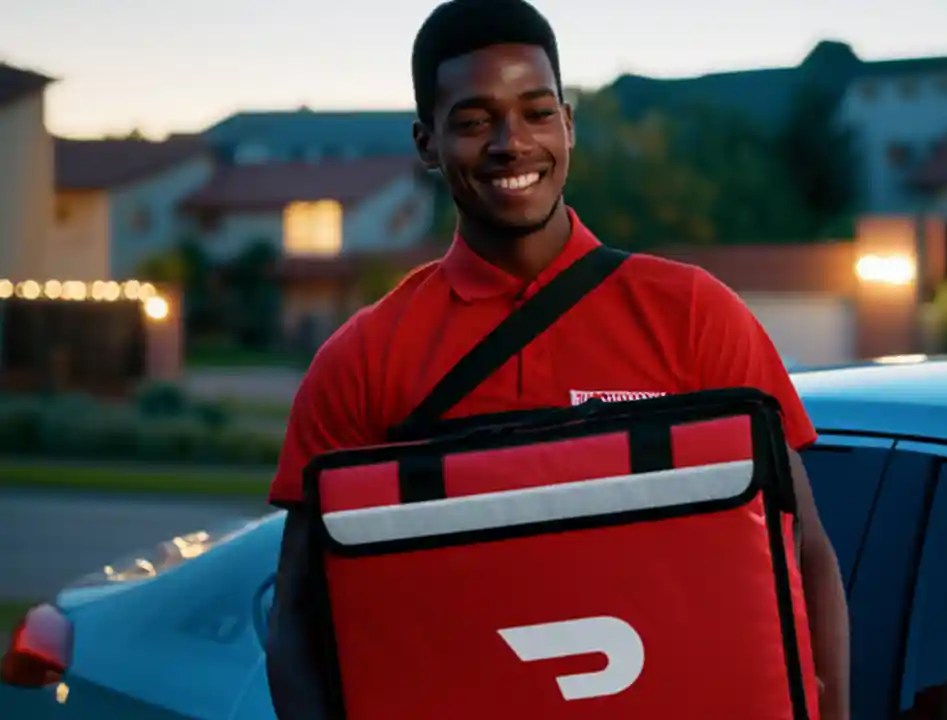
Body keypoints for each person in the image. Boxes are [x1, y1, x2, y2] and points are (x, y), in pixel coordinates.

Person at [265, 0, 850, 718]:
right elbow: (296, 619)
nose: (512, 143)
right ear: (426, 143)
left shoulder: (693, 314)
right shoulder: (361, 359)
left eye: (537, 113)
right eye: (475, 121)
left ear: (568, 125)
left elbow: (807, 554)